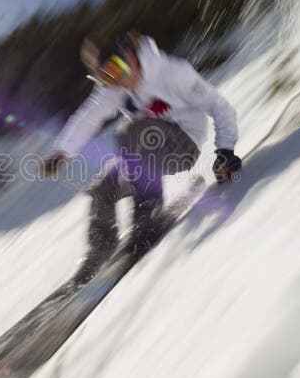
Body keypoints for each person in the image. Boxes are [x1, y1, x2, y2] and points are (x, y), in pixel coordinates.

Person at [43, 32, 241, 256]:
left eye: (117, 67)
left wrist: (225, 151)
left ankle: (148, 215)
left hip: (184, 143)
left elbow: (218, 105)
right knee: (103, 186)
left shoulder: (171, 72)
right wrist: (61, 151)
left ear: (128, 53)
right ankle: (100, 248)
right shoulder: (114, 88)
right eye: (106, 77)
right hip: (146, 153)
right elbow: (88, 117)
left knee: (131, 132)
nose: (118, 80)